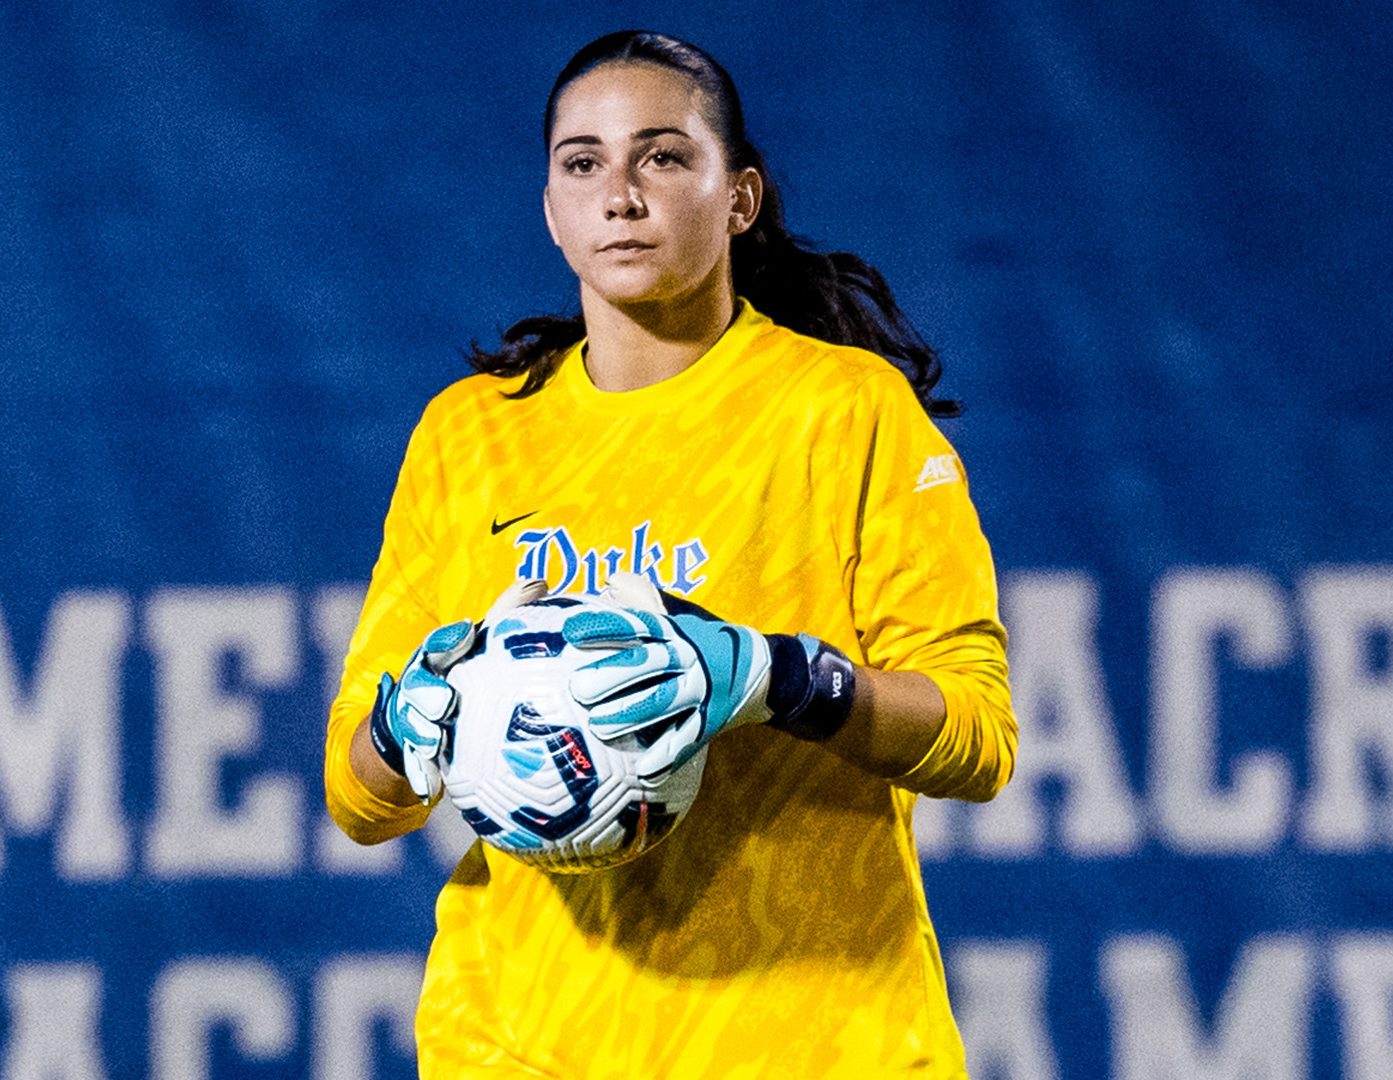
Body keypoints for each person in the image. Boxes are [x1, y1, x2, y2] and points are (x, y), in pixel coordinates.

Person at [325, 30, 1016, 1078]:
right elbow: (358, 796)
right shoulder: (470, 438)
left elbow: (976, 737)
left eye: (663, 155)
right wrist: (401, 720)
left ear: (739, 197)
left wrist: (778, 677)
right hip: (516, 1048)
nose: (621, 195)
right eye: (583, 163)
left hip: (811, 1042)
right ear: (551, 210)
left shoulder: (844, 412)